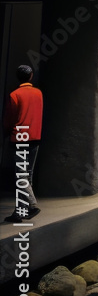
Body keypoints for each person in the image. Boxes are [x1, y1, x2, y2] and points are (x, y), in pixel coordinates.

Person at [3, 65, 42, 221]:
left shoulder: (15, 95)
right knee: (27, 175)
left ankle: (31, 205)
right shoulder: (38, 93)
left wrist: (5, 132)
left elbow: (9, 119)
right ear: (31, 76)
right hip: (35, 137)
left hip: (19, 138)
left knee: (21, 176)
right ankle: (20, 212)